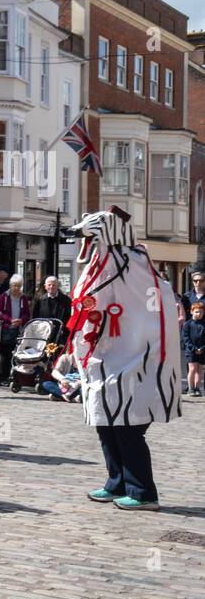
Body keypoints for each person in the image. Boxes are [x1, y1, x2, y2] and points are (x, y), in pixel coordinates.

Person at [68, 206, 181, 511]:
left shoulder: (132, 265)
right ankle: (116, 481)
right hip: (105, 356)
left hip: (132, 357)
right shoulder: (103, 266)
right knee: (105, 420)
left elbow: (146, 305)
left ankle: (143, 491)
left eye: (91, 237)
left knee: (127, 424)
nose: (86, 245)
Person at [0, 274, 31, 385]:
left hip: (17, 330)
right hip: (5, 329)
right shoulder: (3, 297)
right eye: (14, 285)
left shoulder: (23, 298)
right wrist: (10, 320)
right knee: (3, 355)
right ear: (10, 285)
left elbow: (27, 314)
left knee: (15, 354)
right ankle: (1, 378)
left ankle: (13, 377)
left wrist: (21, 320)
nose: (16, 288)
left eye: (19, 286)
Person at [184, 300, 205, 397]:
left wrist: (202, 348)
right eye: (197, 311)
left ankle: (197, 388)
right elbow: (185, 338)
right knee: (192, 369)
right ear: (192, 311)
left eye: (201, 312)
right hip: (191, 350)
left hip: (202, 351)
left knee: (199, 370)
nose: (199, 314)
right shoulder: (187, 324)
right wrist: (193, 348)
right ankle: (190, 388)